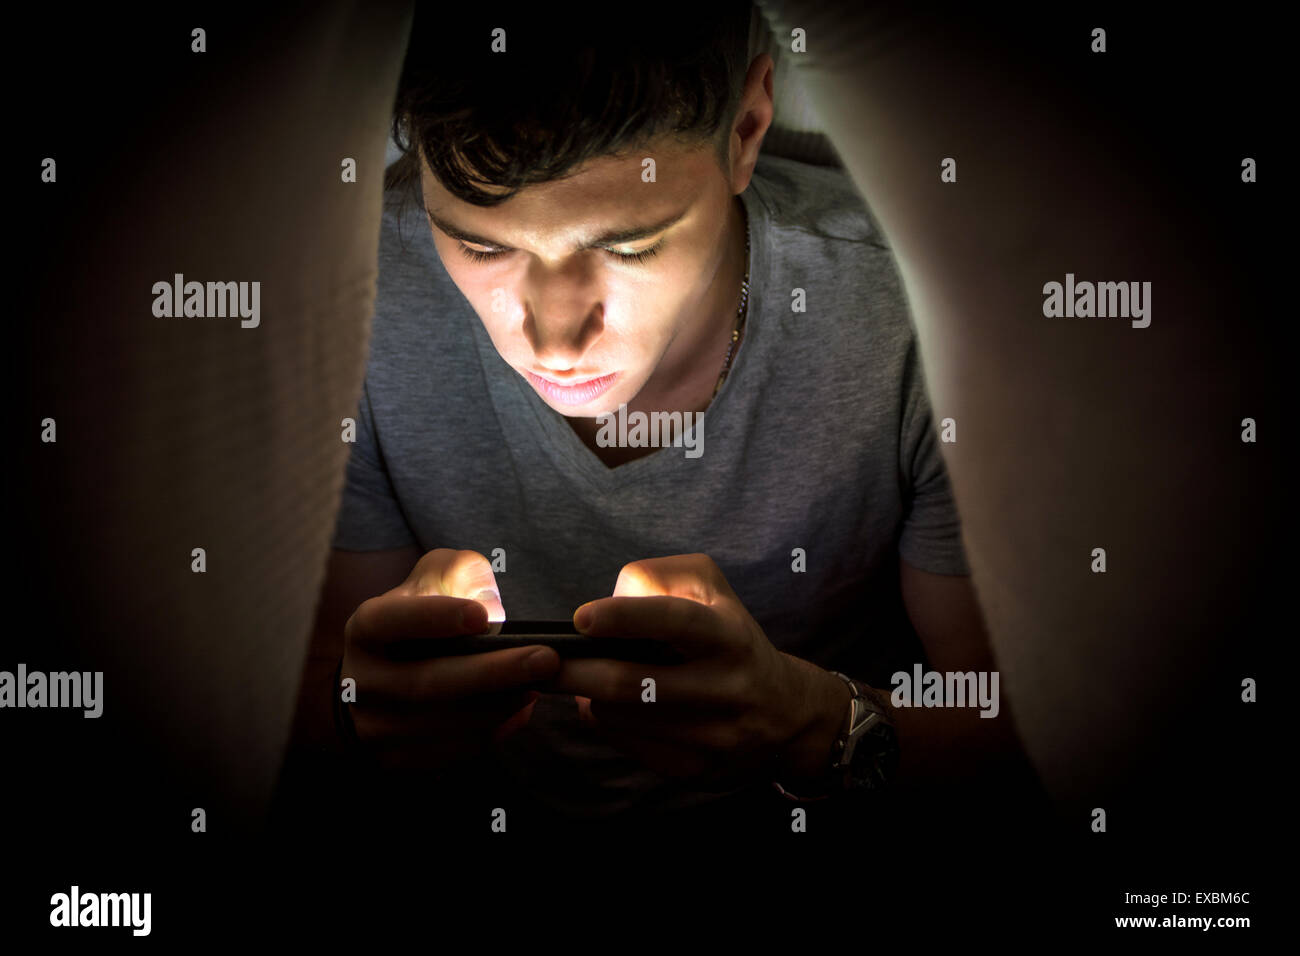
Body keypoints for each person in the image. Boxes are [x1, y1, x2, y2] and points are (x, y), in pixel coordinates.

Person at [280, 1, 1036, 839]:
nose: (552, 338)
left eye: (629, 247)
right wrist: (360, 716)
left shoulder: (915, 320)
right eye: (482, 246)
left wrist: (812, 725)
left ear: (747, 130)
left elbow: (1031, 745)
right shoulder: (359, 297)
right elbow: (313, 696)